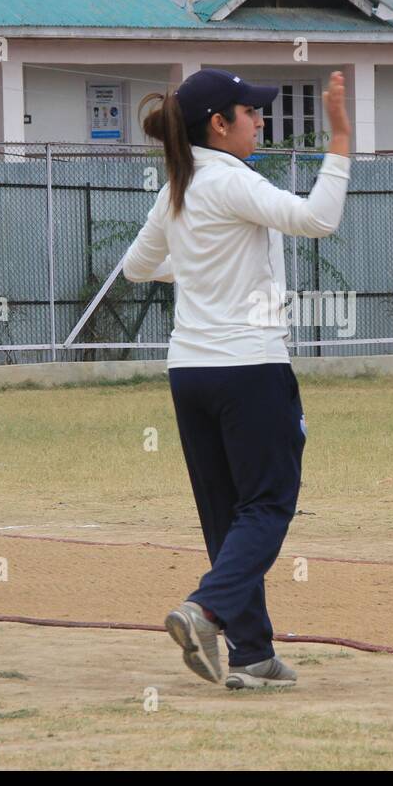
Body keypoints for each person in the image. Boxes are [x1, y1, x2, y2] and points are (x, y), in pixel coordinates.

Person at [123, 68, 351, 690]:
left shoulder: (180, 182)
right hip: (248, 367)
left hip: (190, 371)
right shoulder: (230, 179)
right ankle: (205, 610)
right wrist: (340, 140)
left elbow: (137, 268)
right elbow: (317, 218)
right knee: (269, 504)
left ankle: (251, 653)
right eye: (249, 112)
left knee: (227, 516)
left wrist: (200, 271)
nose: (259, 120)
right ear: (217, 125)